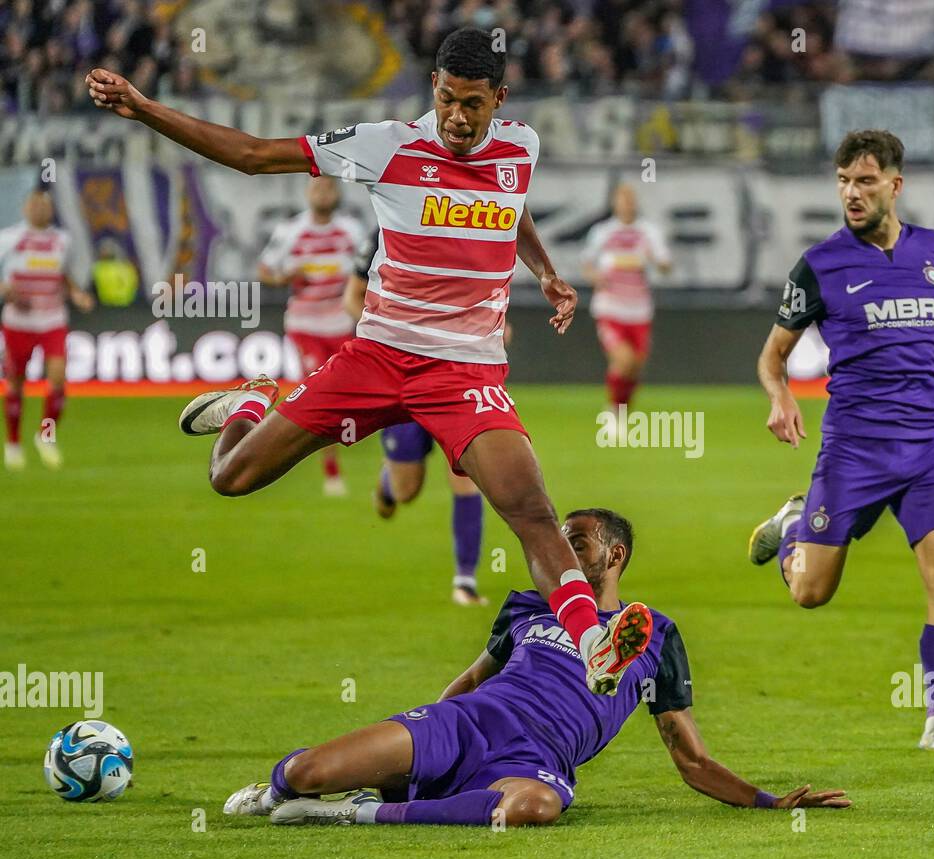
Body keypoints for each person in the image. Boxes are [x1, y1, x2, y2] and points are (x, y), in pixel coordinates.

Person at [85, 28, 653, 695]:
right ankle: (251, 399)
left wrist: (548, 273)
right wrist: (146, 107)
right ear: (432, 91)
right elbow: (251, 154)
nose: (458, 119)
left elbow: (510, 208)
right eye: (446, 100)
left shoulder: (520, 147)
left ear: (499, 99)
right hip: (377, 356)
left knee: (529, 506)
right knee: (230, 477)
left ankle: (593, 644)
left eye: (473, 104)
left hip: (464, 371)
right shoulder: (387, 145)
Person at [224, 508, 851, 826]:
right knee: (306, 771)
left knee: (532, 812)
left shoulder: (656, 633)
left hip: (534, 761)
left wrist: (766, 802)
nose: (561, 550)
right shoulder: (529, 604)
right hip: (466, 724)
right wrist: (424, 734)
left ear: (615, 553)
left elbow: (689, 757)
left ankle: (349, 813)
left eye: (576, 541)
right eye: (556, 541)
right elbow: (471, 682)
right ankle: (283, 793)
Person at [749, 130, 934, 754]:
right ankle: (795, 523)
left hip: (927, 445)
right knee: (811, 593)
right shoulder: (820, 266)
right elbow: (773, 355)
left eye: (866, 181)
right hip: (853, 448)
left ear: (895, 185)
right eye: (844, 181)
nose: (852, 193)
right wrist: (781, 395)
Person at [343, 230, 492, 606]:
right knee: (406, 490)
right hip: (402, 372)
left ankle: (465, 581)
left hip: (457, 375)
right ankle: (386, 484)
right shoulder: (386, 229)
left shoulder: (469, 225)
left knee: (464, 473)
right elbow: (352, 297)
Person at [258, 176, 366, 496]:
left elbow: (369, 269)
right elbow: (265, 271)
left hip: (340, 323)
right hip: (305, 325)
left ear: (337, 193)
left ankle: (327, 439)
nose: (323, 193)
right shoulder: (290, 231)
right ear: (308, 193)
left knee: (346, 393)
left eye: (329, 188)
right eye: (318, 188)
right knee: (320, 389)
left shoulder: (352, 231)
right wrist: (284, 277)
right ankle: (330, 470)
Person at [0, 189, 94, 471]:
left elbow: (63, 274)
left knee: (57, 379)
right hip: (19, 321)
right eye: (35, 205)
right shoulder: (10, 238)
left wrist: (77, 294)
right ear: (26, 208)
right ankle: (13, 443)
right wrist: (5, 290)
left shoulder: (62, 241)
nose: (40, 210)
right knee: (16, 382)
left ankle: (46, 435)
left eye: (45, 205)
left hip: (52, 318)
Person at [580, 182, 671, 413]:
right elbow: (587, 265)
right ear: (615, 203)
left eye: (630, 199)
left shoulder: (649, 232)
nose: (627, 204)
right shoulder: (603, 232)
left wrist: (656, 261)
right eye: (623, 199)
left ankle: (622, 410)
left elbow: (665, 265)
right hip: (610, 308)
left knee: (634, 368)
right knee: (623, 360)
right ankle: (614, 410)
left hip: (640, 310)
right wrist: (596, 277)